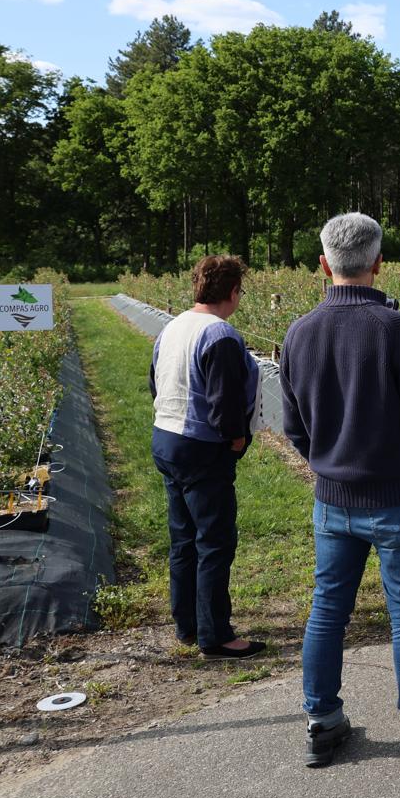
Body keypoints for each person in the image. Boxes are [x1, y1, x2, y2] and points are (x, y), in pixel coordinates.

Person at [282, 213, 400, 771]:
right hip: (398, 497)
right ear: (379, 263)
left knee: (327, 608)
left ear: (324, 264)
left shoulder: (299, 332)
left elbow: (293, 424)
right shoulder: (396, 329)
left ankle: (321, 722)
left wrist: (326, 462)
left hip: (333, 498)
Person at [149, 254, 264, 661]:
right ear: (232, 291)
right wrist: (236, 437)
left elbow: (155, 381)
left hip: (166, 437)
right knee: (214, 542)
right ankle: (216, 635)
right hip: (201, 448)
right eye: (240, 291)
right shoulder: (220, 334)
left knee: (184, 539)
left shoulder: (173, 326)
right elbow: (224, 401)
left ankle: (188, 623)